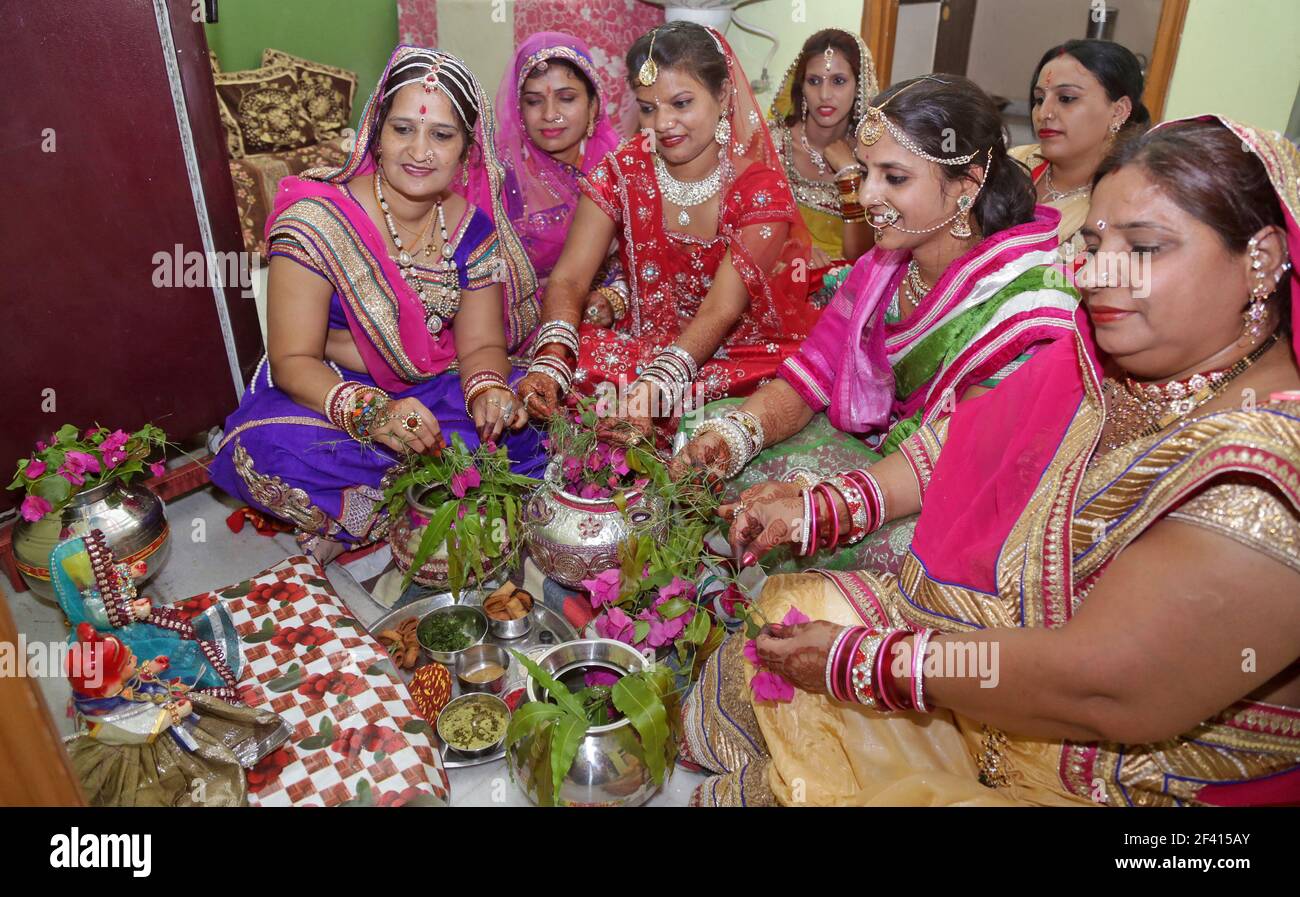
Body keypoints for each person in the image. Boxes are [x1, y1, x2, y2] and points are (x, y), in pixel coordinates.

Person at [683, 116, 1300, 807]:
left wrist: (870, 665)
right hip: (993, 680)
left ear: (1262, 258)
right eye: (1092, 244)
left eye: (1145, 247)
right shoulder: (1107, 359)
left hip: (1115, 780)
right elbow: (965, 440)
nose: (1098, 274)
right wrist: (827, 507)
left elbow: (1103, 683)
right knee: (794, 610)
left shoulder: (1269, 469)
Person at [673, 75, 1079, 574]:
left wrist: (818, 508)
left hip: (958, 486)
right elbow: (813, 374)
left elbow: (960, 458)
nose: (866, 195)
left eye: (895, 177)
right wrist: (738, 436)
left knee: (906, 552)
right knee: (704, 430)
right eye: (866, 172)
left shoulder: (1026, 304)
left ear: (966, 186)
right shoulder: (885, 264)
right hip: (881, 457)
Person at [210, 46, 546, 561]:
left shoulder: (472, 229)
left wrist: (487, 390)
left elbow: (480, 342)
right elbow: (292, 361)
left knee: (531, 417)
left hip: (440, 387)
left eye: (441, 134)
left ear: (466, 149)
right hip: (337, 392)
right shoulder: (317, 222)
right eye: (403, 129)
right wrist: (374, 415)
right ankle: (419, 491)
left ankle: (376, 502)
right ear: (376, 133)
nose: (420, 151)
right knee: (266, 446)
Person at [514, 22, 820, 441]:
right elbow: (570, 278)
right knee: (565, 364)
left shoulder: (759, 189)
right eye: (648, 107)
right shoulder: (623, 171)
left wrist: (653, 390)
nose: (664, 123)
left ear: (724, 96)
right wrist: (551, 358)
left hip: (733, 354)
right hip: (641, 347)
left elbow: (721, 311)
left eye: (681, 103)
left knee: (784, 389)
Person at [493, 31, 626, 303]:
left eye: (566, 98)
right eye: (533, 101)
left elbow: (641, 259)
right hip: (519, 322)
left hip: (603, 315)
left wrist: (613, 298)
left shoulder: (620, 168)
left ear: (593, 106)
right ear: (519, 110)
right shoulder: (500, 178)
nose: (550, 114)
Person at [1010, 39, 1149, 257]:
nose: (1043, 113)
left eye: (1066, 98)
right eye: (1039, 99)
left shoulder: (1124, 200)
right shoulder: (1014, 164)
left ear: (1119, 111)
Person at [769, 27, 878, 268]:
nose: (824, 94)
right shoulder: (771, 144)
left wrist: (849, 175)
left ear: (859, 87)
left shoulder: (872, 157)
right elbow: (742, 227)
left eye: (838, 81)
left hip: (842, 287)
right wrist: (791, 249)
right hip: (778, 276)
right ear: (802, 86)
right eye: (814, 81)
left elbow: (858, 255)